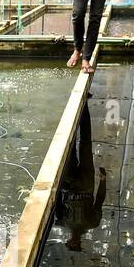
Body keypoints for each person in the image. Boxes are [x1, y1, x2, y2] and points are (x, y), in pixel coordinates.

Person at [56, 103, 107, 251]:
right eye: (76, 244)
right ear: (80, 243)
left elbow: (58, 200)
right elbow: (99, 201)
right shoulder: (92, 223)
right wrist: (102, 182)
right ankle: (84, 106)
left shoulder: (62, 221)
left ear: (68, 240)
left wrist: (58, 180)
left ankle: (72, 112)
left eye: (71, 243)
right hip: (86, 183)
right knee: (85, 143)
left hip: (69, 184)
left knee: (70, 146)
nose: (74, 241)